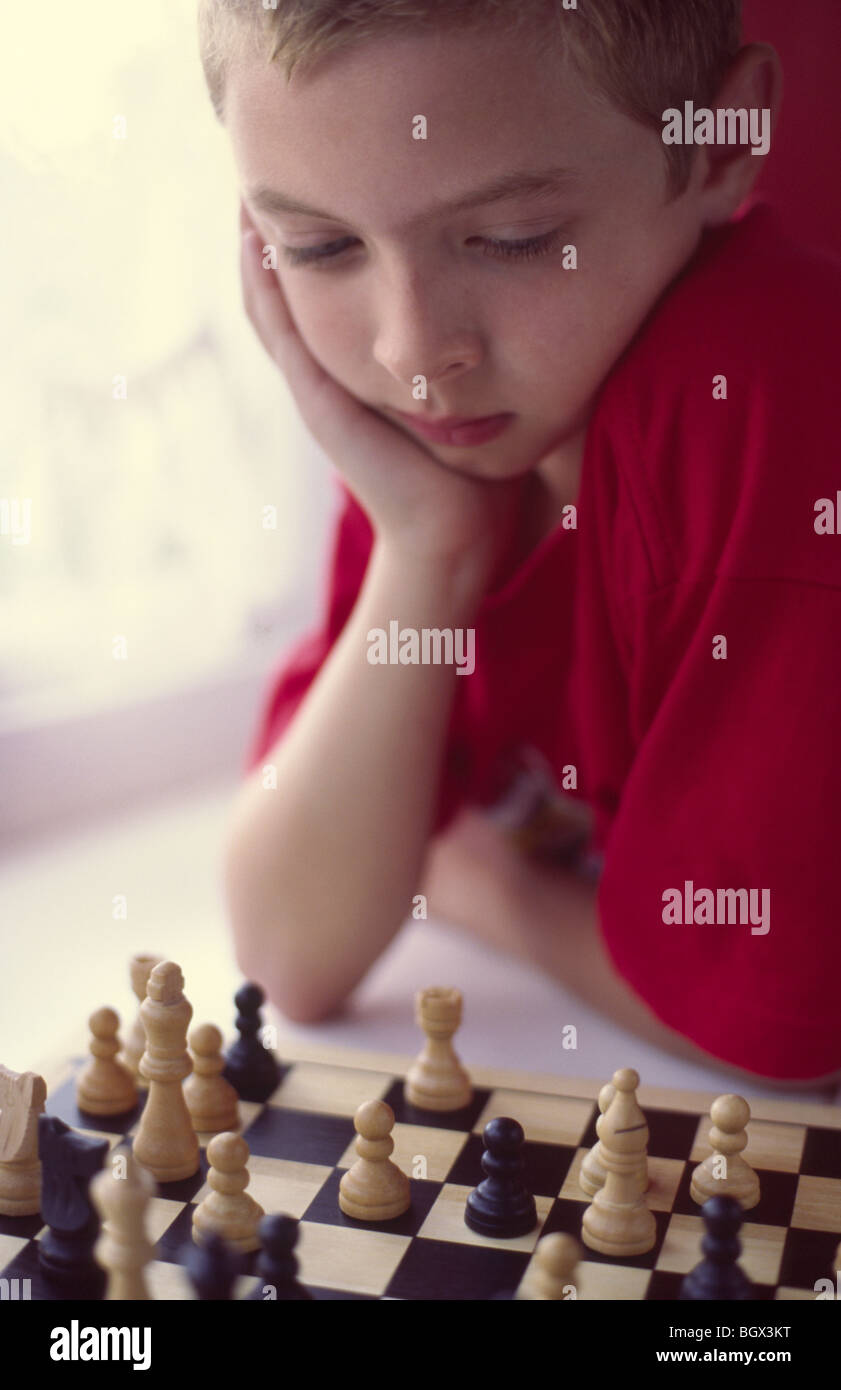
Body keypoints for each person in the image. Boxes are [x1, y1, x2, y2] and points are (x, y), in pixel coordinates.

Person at [198, 0, 841, 1081]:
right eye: (315, 246)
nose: (413, 352)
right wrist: (427, 550)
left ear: (721, 140)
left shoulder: (766, 386)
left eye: (512, 240)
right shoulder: (460, 440)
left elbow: (782, 1025)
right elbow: (289, 948)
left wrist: (480, 880)